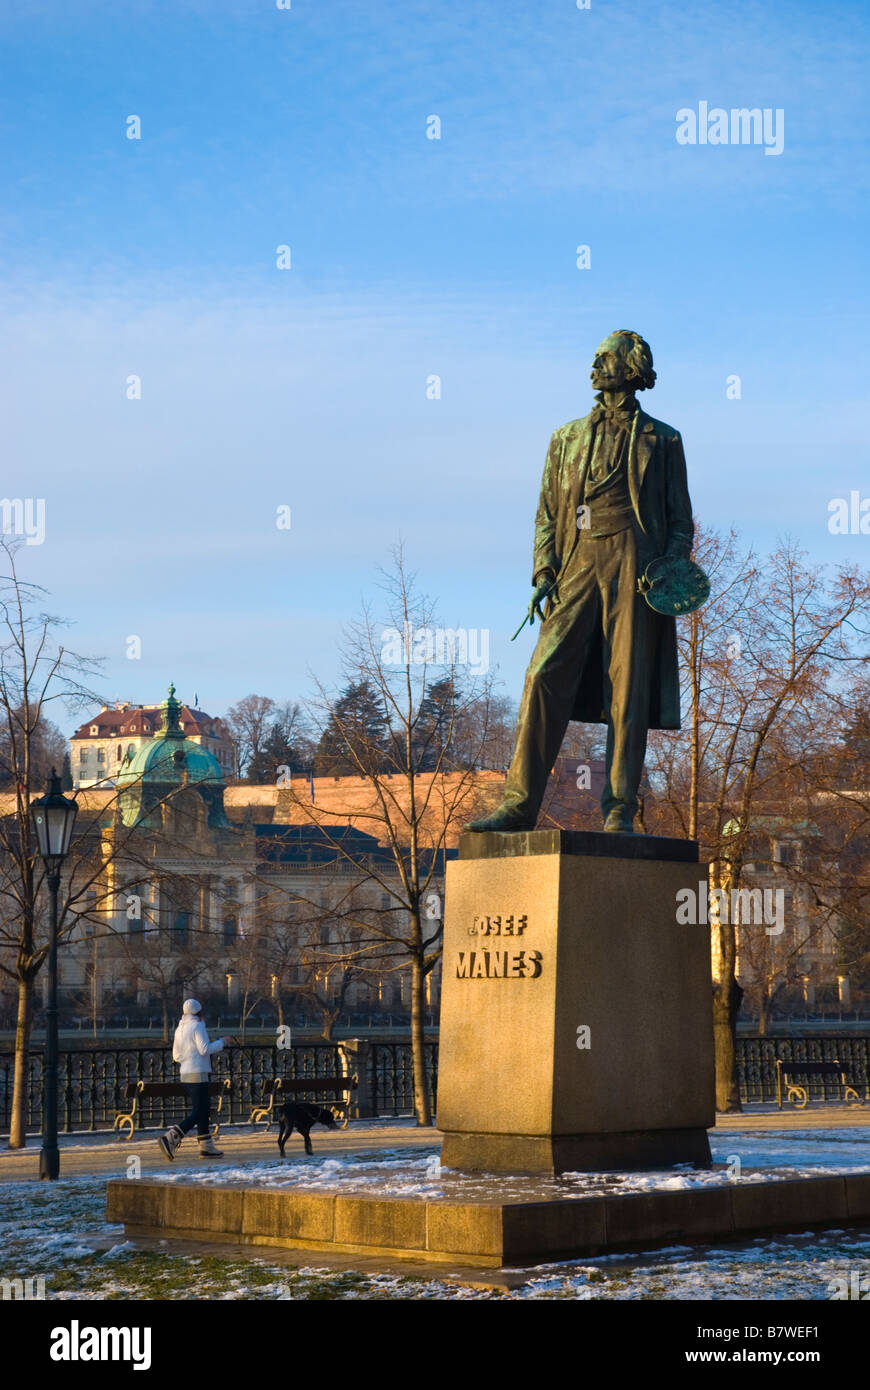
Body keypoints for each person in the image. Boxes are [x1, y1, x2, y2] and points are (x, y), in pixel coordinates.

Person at [468, 329, 695, 835]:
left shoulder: (665, 439)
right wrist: (544, 569)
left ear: (631, 368)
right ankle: (519, 804)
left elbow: (681, 521)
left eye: (605, 358)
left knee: (627, 689)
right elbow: (548, 513)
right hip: (578, 563)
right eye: (594, 358)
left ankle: (619, 808)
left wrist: (669, 572)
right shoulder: (565, 437)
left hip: (635, 569)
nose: (594, 366)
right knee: (542, 675)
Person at [159, 999, 237, 1160]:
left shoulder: (180, 1029)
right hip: (198, 1073)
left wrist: (189, 1057)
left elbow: (176, 1056)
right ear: (199, 1012)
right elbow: (205, 1049)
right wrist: (223, 1041)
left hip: (185, 1073)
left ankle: (206, 1147)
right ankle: (171, 1138)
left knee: (203, 1108)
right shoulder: (198, 1026)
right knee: (200, 1110)